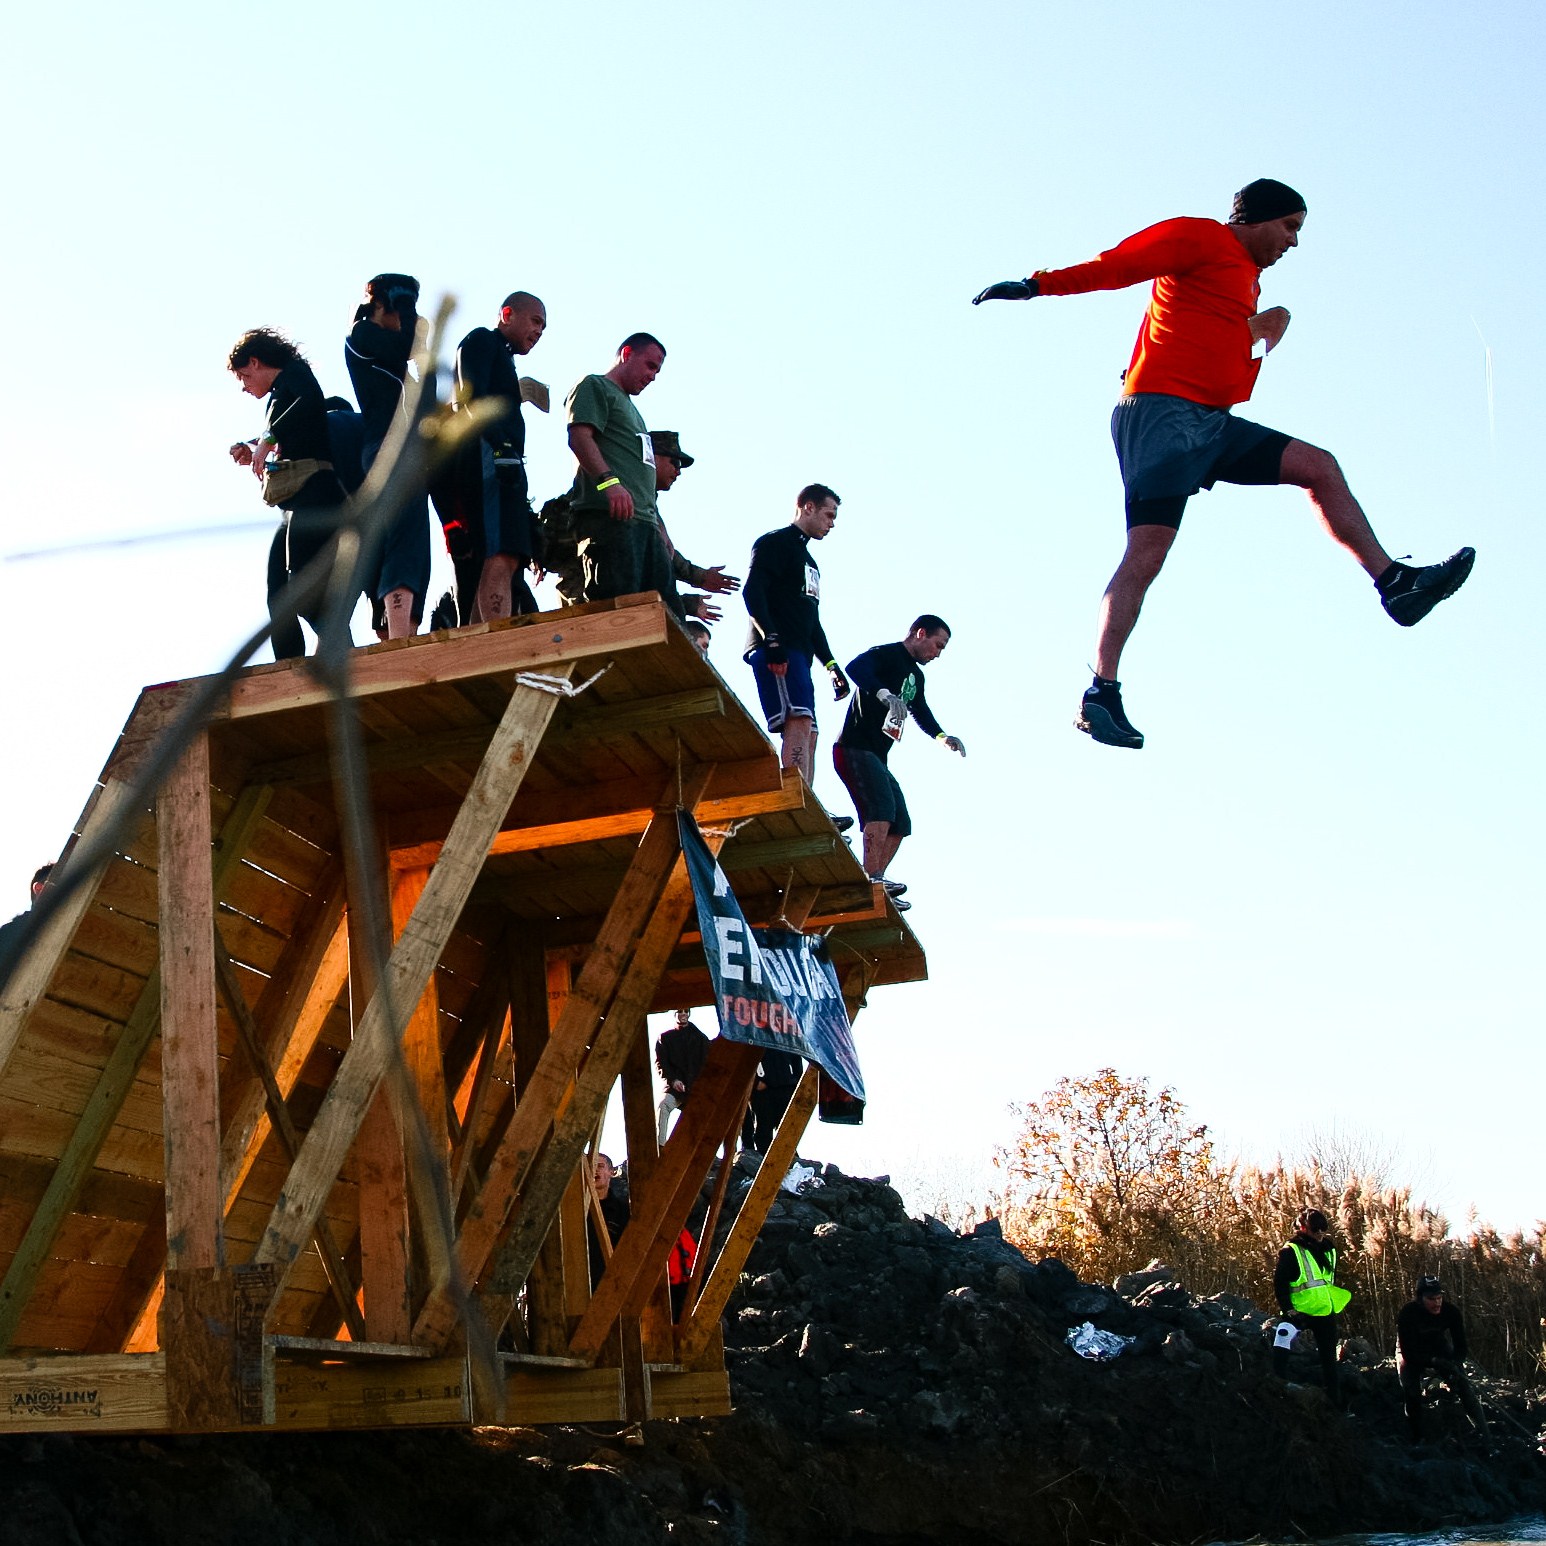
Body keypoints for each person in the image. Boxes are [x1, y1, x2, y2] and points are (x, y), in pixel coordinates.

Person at [972, 177, 1475, 750]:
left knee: (1319, 467)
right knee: (1146, 554)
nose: (1293, 242)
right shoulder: (1201, 237)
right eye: (1289, 227)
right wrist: (1036, 285)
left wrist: (1269, 323)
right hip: (1162, 418)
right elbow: (1118, 267)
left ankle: (1397, 585)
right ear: (1256, 218)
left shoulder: (1245, 281)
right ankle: (1099, 694)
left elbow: (1209, 341)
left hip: (1210, 424)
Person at [227, 329, 350, 659]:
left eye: (243, 376)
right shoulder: (280, 395)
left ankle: (343, 651)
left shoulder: (295, 374)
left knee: (302, 588)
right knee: (278, 591)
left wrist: (268, 439)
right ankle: (288, 665)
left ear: (255, 362)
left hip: (316, 493)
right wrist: (254, 446)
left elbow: (309, 400)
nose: (244, 386)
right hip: (294, 503)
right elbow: (297, 427)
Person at [833, 616, 966, 911]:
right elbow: (855, 667)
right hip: (854, 748)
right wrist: (883, 693)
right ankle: (870, 877)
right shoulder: (887, 654)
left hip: (878, 757)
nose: (937, 654)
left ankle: (877, 876)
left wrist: (942, 737)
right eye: (938, 645)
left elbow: (920, 709)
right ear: (920, 633)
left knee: (901, 821)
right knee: (881, 809)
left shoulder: (916, 676)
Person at [435, 292, 547, 625]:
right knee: (501, 552)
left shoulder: (501, 355)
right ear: (507, 314)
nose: (538, 332)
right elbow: (470, 399)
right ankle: (498, 634)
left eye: (543, 328)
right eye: (535, 321)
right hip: (489, 463)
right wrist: (501, 448)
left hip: (500, 464)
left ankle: (479, 635)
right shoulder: (482, 340)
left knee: (505, 555)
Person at [743, 485, 852, 796]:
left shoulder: (810, 563)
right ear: (808, 507)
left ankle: (805, 797)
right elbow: (753, 591)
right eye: (829, 515)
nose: (832, 523)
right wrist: (771, 639)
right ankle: (791, 793)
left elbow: (811, 620)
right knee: (798, 719)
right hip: (778, 649)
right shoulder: (775, 542)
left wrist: (831, 665)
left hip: (800, 652)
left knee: (811, 730)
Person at [345, 273, 430, 640]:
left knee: (413, 539)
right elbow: (406, 345)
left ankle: (402, 630)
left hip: (403, 449)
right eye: (403, 308)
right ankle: (397, 633)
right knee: (404, 537)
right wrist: (409, 311)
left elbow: (426, 397)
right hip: (386, 448)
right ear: (382, 306)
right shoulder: (361, 335)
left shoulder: (390, 357)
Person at [566, 333, 671, 601]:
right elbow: (579, 438)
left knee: (665, 613)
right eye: (649, 366)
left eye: (657, 371)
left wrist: (659, 527)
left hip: (645, 526)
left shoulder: (634, 412)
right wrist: (609, 483)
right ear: (626, 354)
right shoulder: (595, 386)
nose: (652, 376)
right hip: (610, 520)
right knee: (619, 610)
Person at [649, 430, 741, 625]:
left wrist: (698, 578)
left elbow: (660, 554)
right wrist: (697, 577)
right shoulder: (625, 495)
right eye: (674, 463)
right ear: (652, 457)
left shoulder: (648, 502)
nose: (678, 472)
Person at [1273, 1207, 1352, 1406]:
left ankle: (1335, 1404)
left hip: (1324, 1310)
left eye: (1323, 1230)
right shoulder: (1291, 1250)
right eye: (1315, 1229)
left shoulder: (1329, 1249)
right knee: (1283, 1336)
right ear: (1303, 1228)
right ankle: (1276, 1386)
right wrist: (1287, 1309)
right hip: (1299, 1311)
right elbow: (1280, 1282)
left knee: (1329, 1359)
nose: (1320, 1234)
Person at [1397, 1275, 1486, 1440]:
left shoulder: (1451, 1312)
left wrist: (1454, 1363)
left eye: (1439, 1298)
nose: (1437, 1303)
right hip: (1412, 1349)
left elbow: (1461, 1346)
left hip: (1438, 1345)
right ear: (1420, 1299)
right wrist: (1432, 1361)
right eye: (1431, 1299)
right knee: (1411, 1392)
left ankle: (1485, 1435)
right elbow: (1408, 1354)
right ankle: (1416, 1437)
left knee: (1465, 1388)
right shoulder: (1407, 1314)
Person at [656, 1008, 710, 1146]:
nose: (683, 1014)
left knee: (700, 1119)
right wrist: (673, 1080)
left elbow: (707, 1064)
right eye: (680, 1011)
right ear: (675, 1014)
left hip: (695, 1089)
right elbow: (661, 1064)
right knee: (663, 1106)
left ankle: (697, 1149)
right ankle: (660, 1146)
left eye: (686, 1011)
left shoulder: (701, 1038)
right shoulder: (665, 1038)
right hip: (674, 1087)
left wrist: (700, 1087)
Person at [741, 1049, 803, 1155]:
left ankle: (790, 1158)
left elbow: (797, 1059)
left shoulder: (786, 1041)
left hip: (786, 1088)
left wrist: (796, 1083)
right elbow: (744, 1060)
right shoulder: (753, 1040)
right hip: (763, 1091)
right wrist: (755, 1083)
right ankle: (763, 1159)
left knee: (787, 1128)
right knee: (764, 1129)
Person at [587, 1152, 630, 1289]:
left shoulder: (623, 1211)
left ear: (611, 1172)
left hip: (612, 1282)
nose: (595, 1170)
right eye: (591, 1166)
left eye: (600, 1166)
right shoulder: (575, 1208)